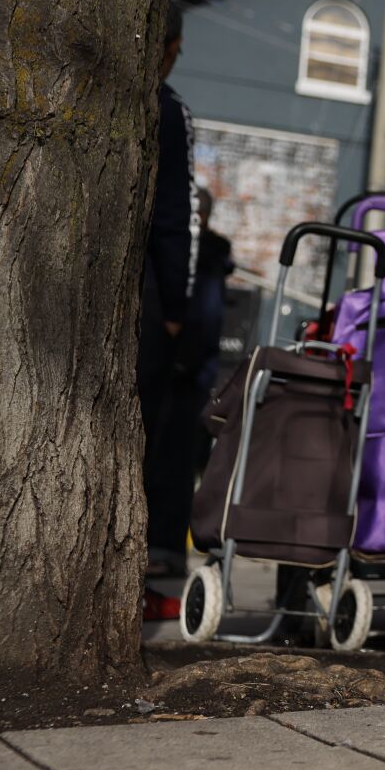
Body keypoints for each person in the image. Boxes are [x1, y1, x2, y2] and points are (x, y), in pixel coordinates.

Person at [140, 0, 199, 619]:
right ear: (170, 46)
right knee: (142, 437)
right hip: (149, 297)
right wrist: (178, 309)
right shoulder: (167, 109)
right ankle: (134, 576)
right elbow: (177, 218)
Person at [144, 187, 232, 579]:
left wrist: (185, 359)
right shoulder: (194, 252)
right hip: (181, 368)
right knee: (165, 459)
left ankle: (164, 546)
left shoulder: (204, 255)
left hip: (185, 372)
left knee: (173, 460)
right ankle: (158, 544)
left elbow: (205, 317)